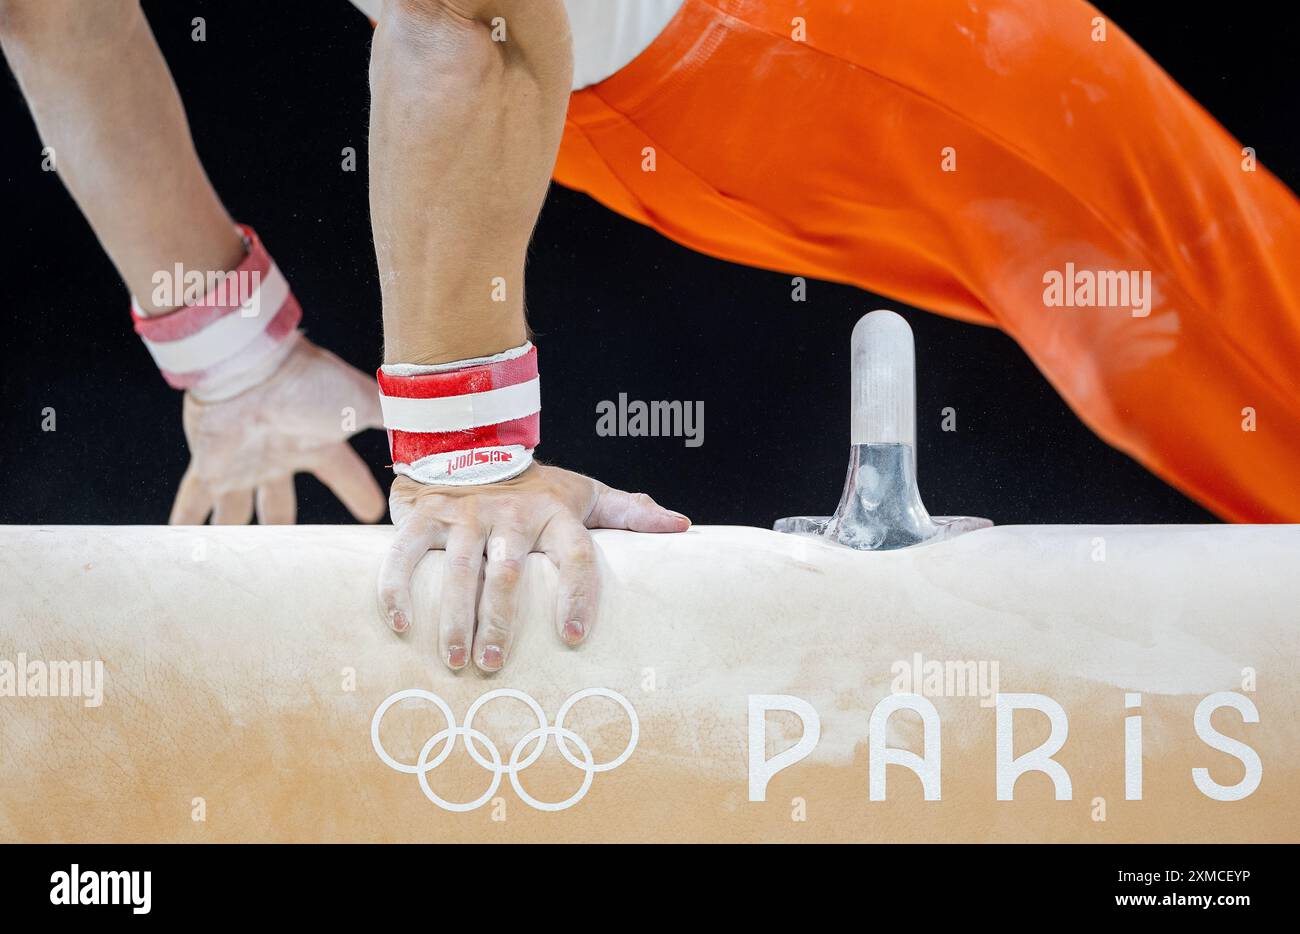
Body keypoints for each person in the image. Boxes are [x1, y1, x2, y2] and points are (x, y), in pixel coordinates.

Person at [3, 0, 1297, 674]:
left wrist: (465, 461)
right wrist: (233, 362)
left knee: (1246, 369)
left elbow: (468, 26)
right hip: (636, 113)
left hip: (867, 48)